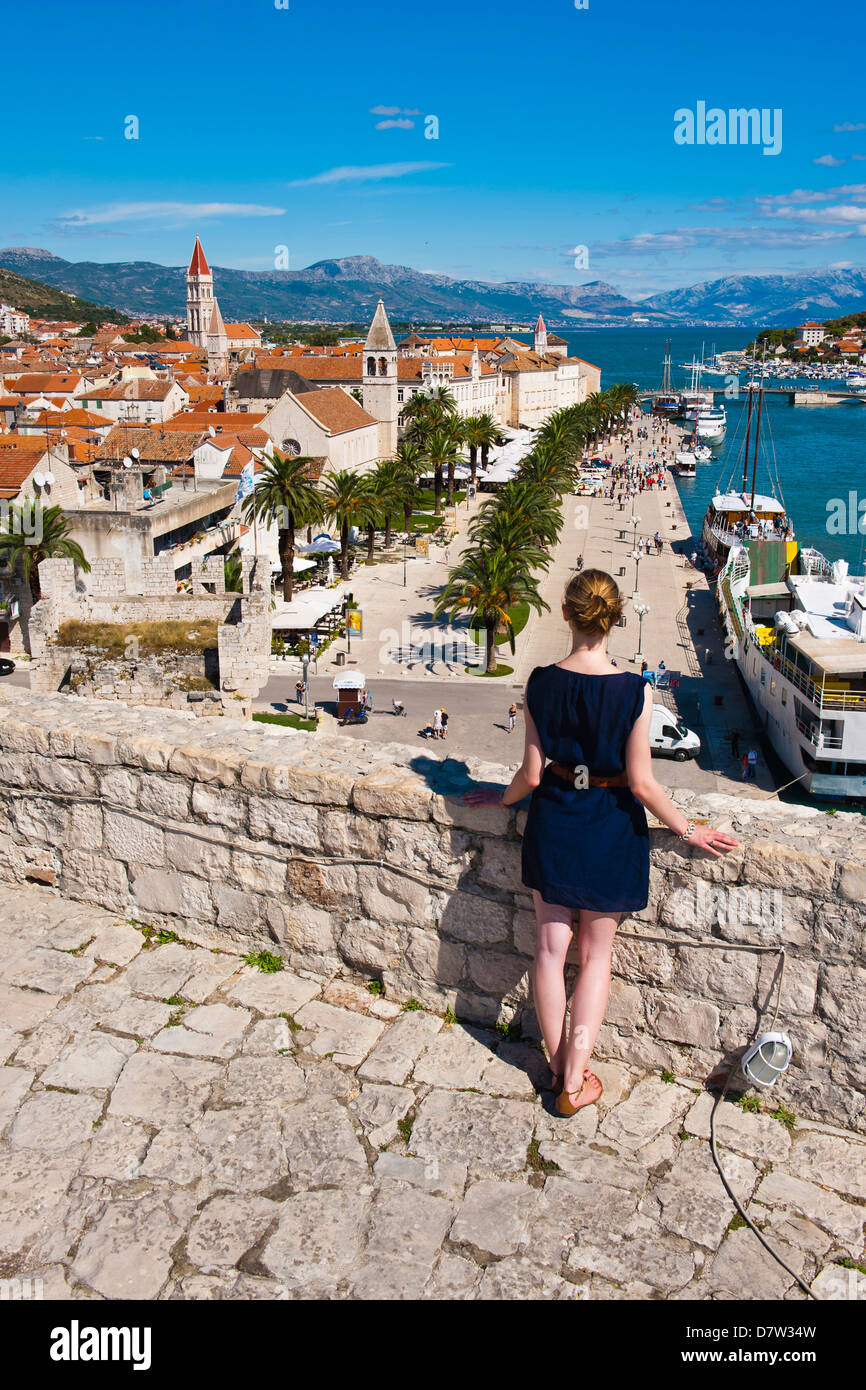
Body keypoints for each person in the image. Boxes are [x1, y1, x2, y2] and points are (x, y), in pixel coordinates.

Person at [462, 569, 738, 1116]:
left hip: (555, 822)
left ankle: (559, 1062)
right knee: (595, 957)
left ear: (566, 615)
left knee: (548, 949)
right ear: (615, 619)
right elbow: (641, 784)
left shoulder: (540, 681)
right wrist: (689, 830)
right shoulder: (635, 690)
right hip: (610, 828)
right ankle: (574, 1078)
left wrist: (501, 798)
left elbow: (532, 775)